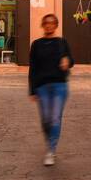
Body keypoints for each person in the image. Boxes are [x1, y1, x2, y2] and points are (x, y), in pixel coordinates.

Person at [28, 13, 73, 166]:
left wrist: (67, 61)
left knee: (54, 118)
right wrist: (32, 90)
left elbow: (71, 59)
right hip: (42, 87)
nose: (49, 25)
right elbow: (33, 68)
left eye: (52, 23)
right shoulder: (36, 44)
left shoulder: (62, 43)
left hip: (60, 85)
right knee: (46, 120)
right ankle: (50, 142)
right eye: (46, 23)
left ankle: (51, 150)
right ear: (43, 25)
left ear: (56, 26)